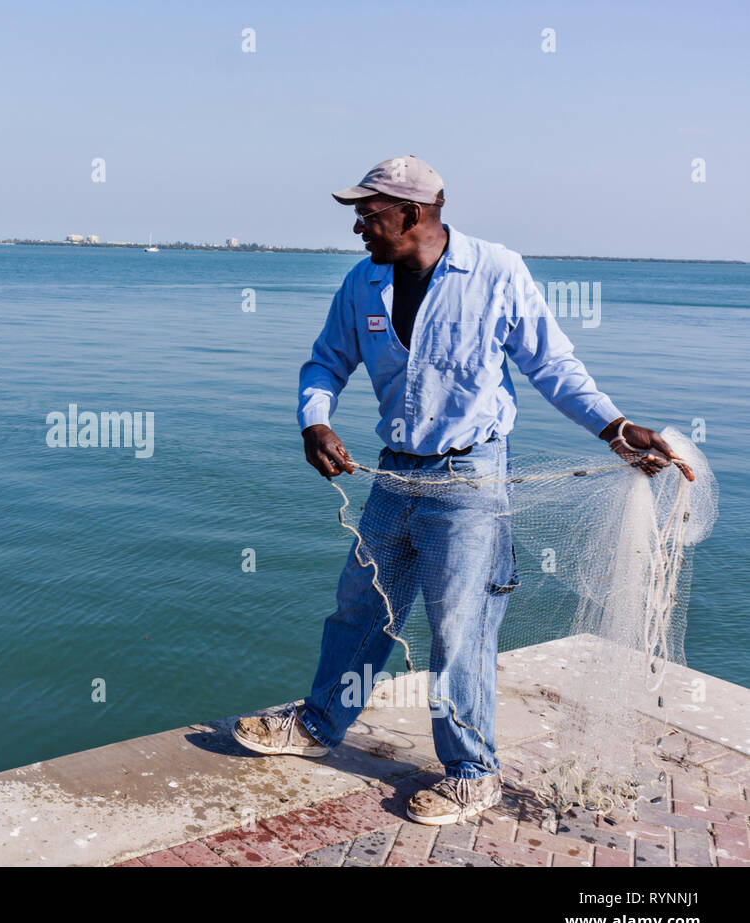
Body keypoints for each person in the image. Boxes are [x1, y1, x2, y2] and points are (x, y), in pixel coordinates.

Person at [232, 156, 693, 826]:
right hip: (394, 474)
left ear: (413, 214)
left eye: (369, 213)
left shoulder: (496, 272)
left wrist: (615, 427)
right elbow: (326, 361)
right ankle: (319, 724)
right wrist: (316, 419)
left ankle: (473, 773)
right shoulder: (363, 283)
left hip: (469, 480)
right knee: (360, 605)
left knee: (460, 629)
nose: (359, 226)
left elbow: (551, 363)